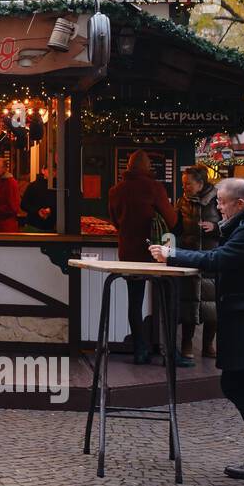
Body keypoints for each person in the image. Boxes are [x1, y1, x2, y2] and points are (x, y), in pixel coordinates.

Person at [151, 178, 244, 483]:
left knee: (237, 385)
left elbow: (216, 260)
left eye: (222, 202)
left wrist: (171, 254)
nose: (218, 207)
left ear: (240, 203)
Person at [108, 150, 181, 366]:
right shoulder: (154, 188)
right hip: (155, 253)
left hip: (129, 252)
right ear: (147, 166)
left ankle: (140, 350)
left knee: (135, 302)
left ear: (129, 166)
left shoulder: (116, 190)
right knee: (167, 299)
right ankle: (170, 352)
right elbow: (171, 220)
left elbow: (114, 221)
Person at [174, 165, 220, 358]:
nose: (185, 187)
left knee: (212, 305)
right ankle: (187, 344)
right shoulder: (182, 202)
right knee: (189, 303)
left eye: (188, 183)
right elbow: (176, 228)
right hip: (190, 257)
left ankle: (208, 345)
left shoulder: (218, 200)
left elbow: (230, 224)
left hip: (212, 257)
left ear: (201, 184)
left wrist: (216, 227)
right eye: (183, 183)